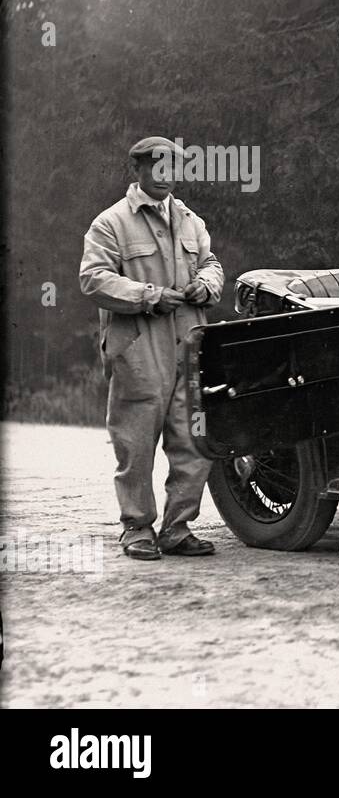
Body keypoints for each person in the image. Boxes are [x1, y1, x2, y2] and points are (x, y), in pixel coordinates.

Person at [79, 136, 224, 559]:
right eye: (157, 166)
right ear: (137, 170)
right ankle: (137, 528)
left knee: (194, 442)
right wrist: (148, 296)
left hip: (191, 345)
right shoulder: (111, 222)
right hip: (139, 348)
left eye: (173, 167)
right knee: (136, 443)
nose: (166, 175)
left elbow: (211, 262)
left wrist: (208, 284)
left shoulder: (191, 220)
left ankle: (177, 528)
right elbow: (93, 279)